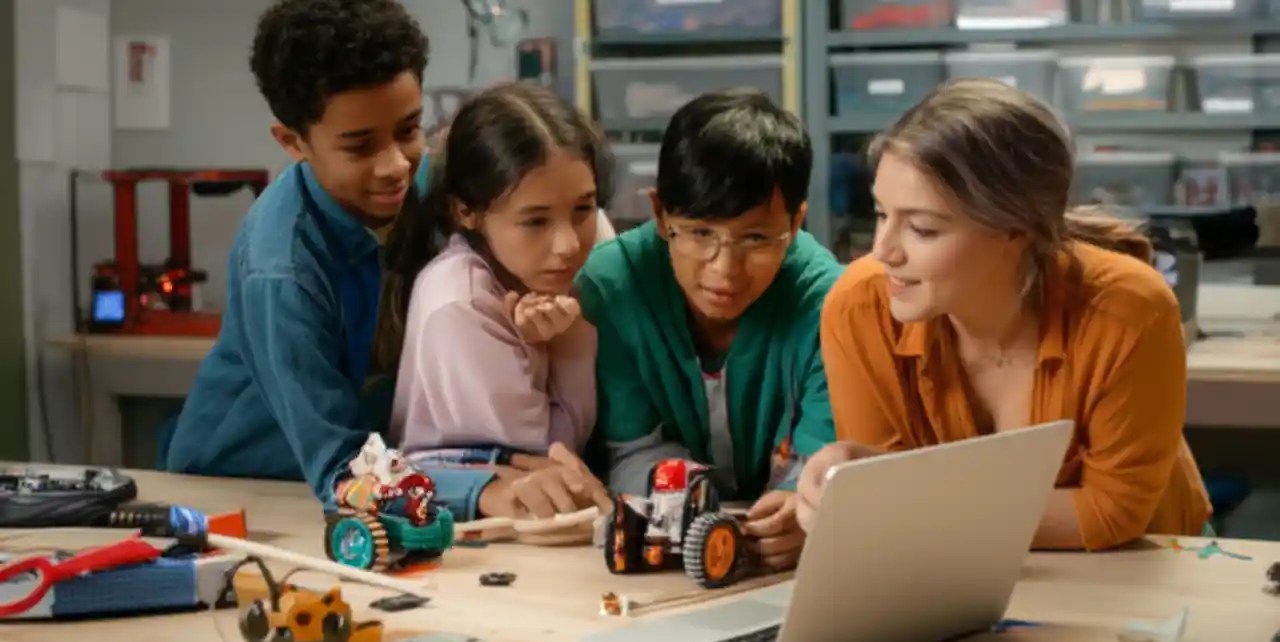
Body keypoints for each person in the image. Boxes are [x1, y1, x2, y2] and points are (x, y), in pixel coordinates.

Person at [796, 78, 1212, 551]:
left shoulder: (1129, 309)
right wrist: (853, 474)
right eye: (880, 214)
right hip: (962, 563)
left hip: (1147, 565)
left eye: (923, 229)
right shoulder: (860, 306)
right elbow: (891, 495)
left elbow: (1111, 512)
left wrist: (903, 502)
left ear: (1015, 230)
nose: (883, 251)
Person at [163, 0, 430, 507]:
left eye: (408, 130)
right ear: (293, 142)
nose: (396, 165)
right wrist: (478, 489)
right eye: (359, 146)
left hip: (362, 476)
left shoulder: (432, 192)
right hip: (243, 490)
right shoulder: (281, 270)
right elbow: (343, 469)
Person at [575, 89, 844, 571]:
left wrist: (800, 507)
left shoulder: (832, 304)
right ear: (660, 215)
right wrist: (691, 500)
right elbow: (630, 450)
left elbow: (825, 461)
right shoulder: (612, 287)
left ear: (796, 221)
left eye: (756, 238)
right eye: (700, 233)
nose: (725, 270)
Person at [385, 82, 616, 523]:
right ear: (466, 212)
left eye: (583, 210)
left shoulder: (580, 239)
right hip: (478, 520)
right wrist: (566, 339)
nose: (569, 244)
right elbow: (551, 454)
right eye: (535, 221)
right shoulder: (461, 303)